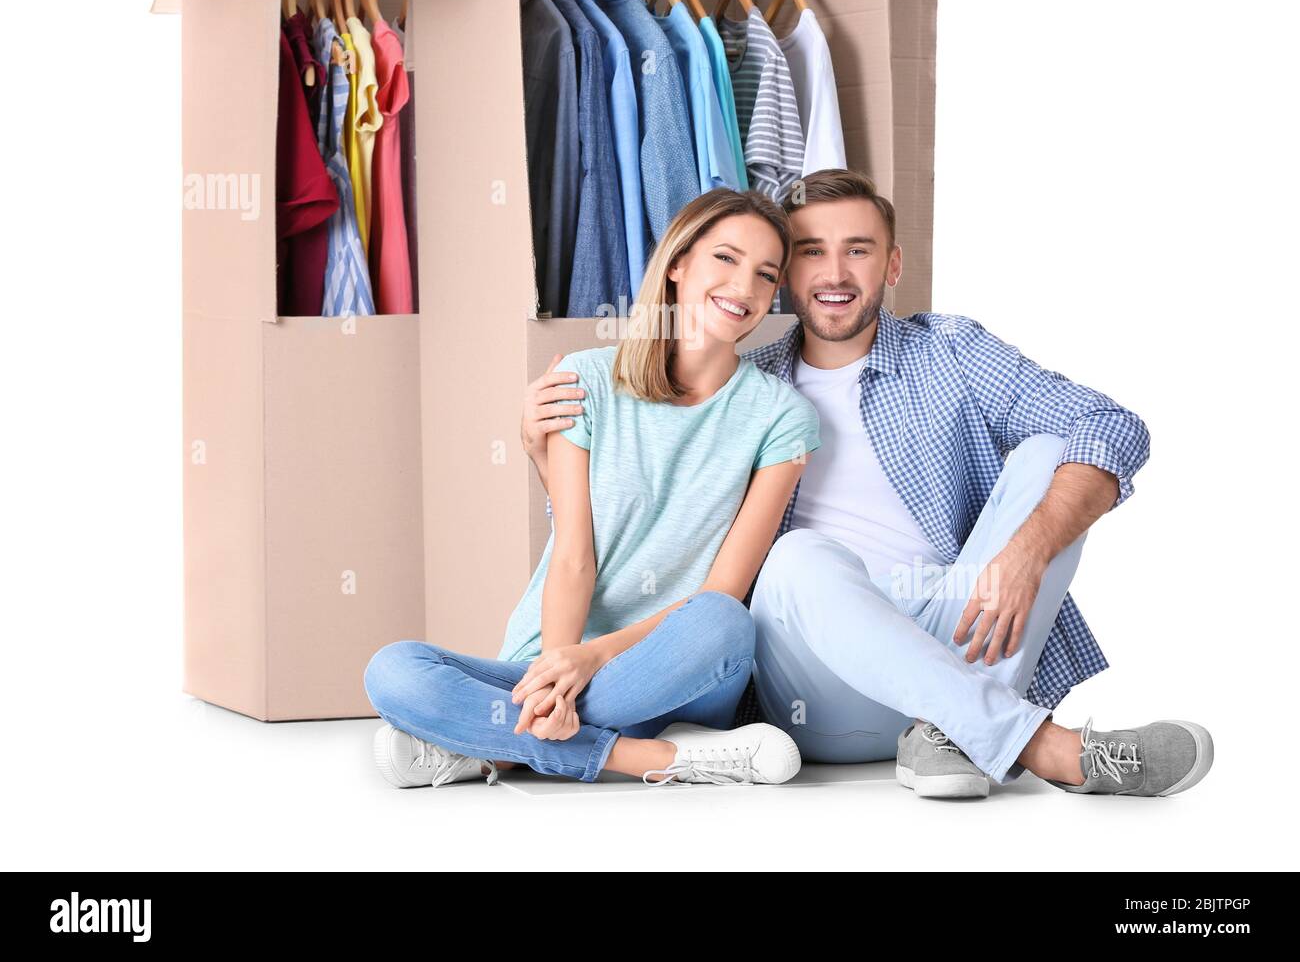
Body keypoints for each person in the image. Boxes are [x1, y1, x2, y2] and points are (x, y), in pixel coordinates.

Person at [522, 169, 1214, 799]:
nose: (835, 271)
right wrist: (542, 451)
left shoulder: (951, 350)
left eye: (858, 248)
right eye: (811, 252)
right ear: (786, 276)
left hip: (962, 642)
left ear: (893, 264)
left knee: (1050, 454)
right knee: (796, 559)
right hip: (821, 686)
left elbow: (1110, 425)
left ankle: (949, 739)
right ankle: (1040, 745)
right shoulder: (751, 392)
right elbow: (644, 514)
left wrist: (1026, 552)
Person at [364, 188, 821, 788]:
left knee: (725, 622)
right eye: (726, 259)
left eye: (766, 274)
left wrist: (593, 657)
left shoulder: (783, 416)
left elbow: (722, 590)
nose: (745, 287)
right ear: (678, 263)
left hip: (670, 666)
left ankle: (495, 744)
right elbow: (574, 553)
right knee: (393, 670)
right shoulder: (585, 379)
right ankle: (649, 758)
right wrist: (559, 665)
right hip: (550, 656)